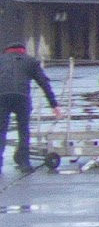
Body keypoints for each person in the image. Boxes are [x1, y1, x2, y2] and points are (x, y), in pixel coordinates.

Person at [0, 41, 61, 174]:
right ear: (23, 50)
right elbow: (43, 82)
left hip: (2, 97)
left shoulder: (1, 60)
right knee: (23, 129)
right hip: (22, 97)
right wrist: (54, 104)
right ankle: (24, 163)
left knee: (1, 130)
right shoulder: (30, 61)